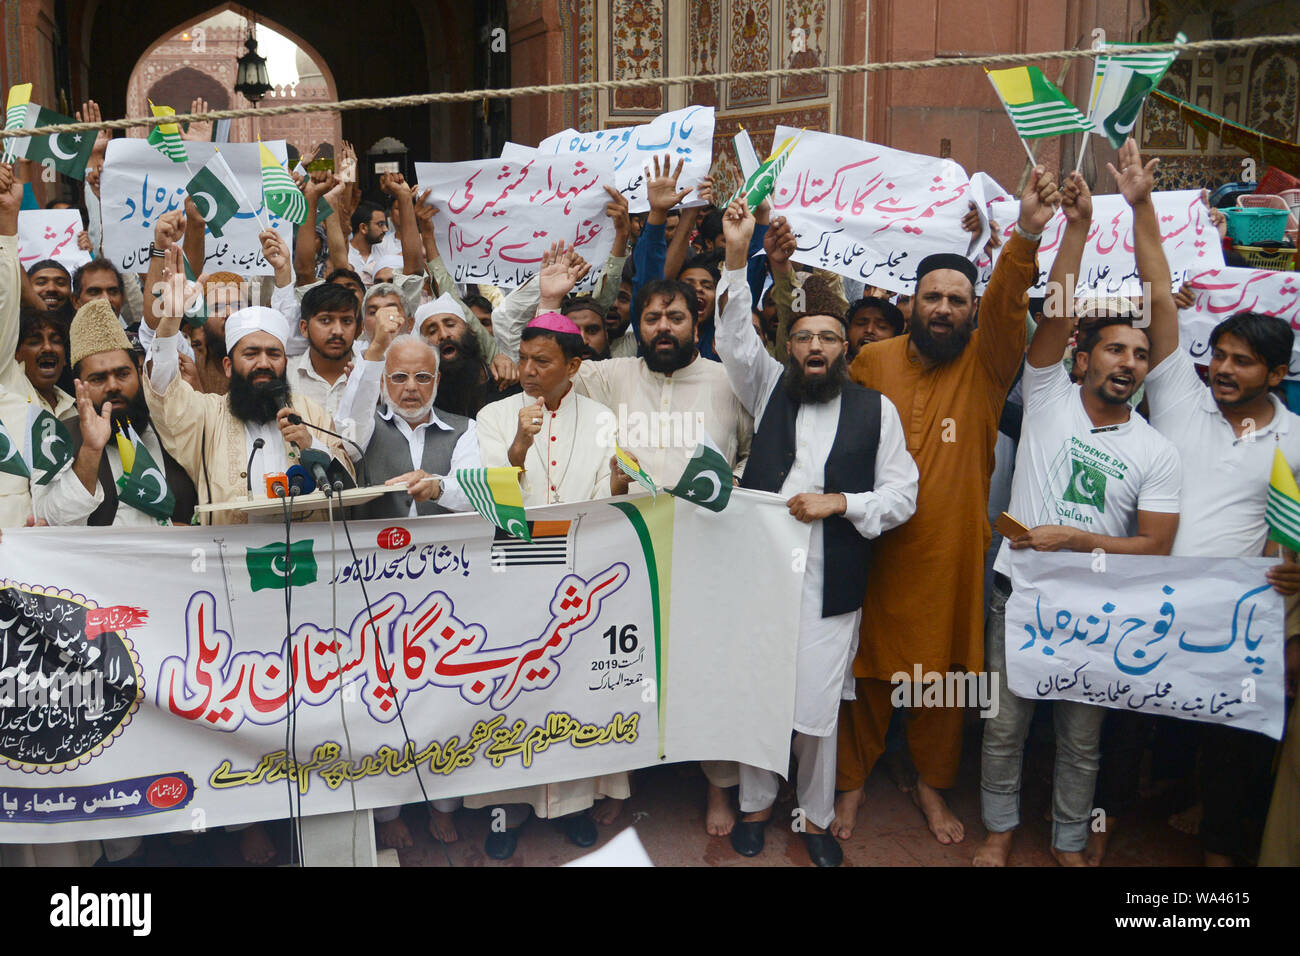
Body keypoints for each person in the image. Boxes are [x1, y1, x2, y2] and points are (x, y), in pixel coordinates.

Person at [834, 165, 1062, 846]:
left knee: (944, 677)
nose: (942, 309)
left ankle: (931, 785)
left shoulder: (989, 361)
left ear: (970, 311)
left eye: (955, 300)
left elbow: (1007, 305)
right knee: (866, 670)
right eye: (930, 297)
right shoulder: (872, 362)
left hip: (953, 553)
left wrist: (1023, 233)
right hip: (873, 546)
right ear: (909, 305)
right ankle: (849, 785)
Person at [507, 243, 753, 836]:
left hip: (707, 549)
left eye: (675, 317)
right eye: (651, 318)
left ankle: (720, 787)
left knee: (706, 670)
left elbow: (751, 454)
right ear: (635, 326)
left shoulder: (728, 381)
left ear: (697, 322)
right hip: (622, 558)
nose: (663, 328)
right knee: (619, 671)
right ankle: (621, 779)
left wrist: (730, 483)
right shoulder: (607, 376)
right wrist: (548, 298)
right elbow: (535, 359)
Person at [974, 168, 1181, 867]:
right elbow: (1056, 309)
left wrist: (1079, 540)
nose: (1129, 363)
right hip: (1018, 596)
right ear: (1083, 357)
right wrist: (1079, 227)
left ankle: (1067, 843)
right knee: (1003, 727)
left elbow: (1155, 547)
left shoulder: (1156, 451)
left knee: (1081, 740)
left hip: (1097, 610)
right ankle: (999, 833)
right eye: (1116, 349)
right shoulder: (1047, 395)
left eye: (1141, 354)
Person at [715, 196, 918, 867]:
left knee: (815, 710)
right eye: (804, 337)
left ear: (846, 347)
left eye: (828, 337)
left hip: (833, 585)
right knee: (756, 695)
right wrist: (737, 254)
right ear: (792, 346)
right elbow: (734, 338)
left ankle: (814, 817)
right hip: (759, 577)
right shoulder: (769, 384)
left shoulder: (874, 410)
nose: (815, 348)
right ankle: (753, 807)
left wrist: (843, 504)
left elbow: (902, 495)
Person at [1117, 136, 1300, 867]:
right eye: (1218, 356)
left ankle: (1223, 855)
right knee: (1131, 734)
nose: (1222, 370)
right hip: (1147, 607)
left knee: (1237, 750)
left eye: (1241, 361)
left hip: (1239, 624)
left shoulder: (1295, 440)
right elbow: (1160, 296)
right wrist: (1140, 210)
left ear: (1277, 374)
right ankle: (1108, 822)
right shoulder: (1181, 400)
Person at [468, 311, 630, 858]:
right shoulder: (493, 414)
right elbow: (488, 501)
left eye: (544, 362)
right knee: (512, 693)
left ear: (574, 365)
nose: (530, 372)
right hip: (514, 578)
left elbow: (613, 501)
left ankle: (573, 806)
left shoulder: (603, 416)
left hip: (582, 578)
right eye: (526, 360)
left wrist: (620, 484)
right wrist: (517, 447)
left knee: (576, 693)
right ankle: (506, 812)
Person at [359, 332, 479, 848]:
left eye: (422, 377)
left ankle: (443, 802)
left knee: (446, 698)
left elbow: (476, 490)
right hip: (377, 592)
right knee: (385, 700)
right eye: (399, 377)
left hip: (446, 588)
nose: (411, 388)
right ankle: (389, 814)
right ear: (384, 381)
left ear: (438, 379)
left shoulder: (466, 429)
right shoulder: (360, 429)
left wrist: (440, 487)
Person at [142, 246, 352, 525]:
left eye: (273, 354)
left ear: (284, 363)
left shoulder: (311, 415)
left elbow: (347, 487)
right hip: (230, 559)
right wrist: (170, 320)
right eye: (251, 354)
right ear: (229, 366)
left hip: (306, 558)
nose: (263, 363)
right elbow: (163, 390)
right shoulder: (207, 416)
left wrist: (311, 444)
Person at [34, 298, 198, 528]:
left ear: (139, 374)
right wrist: (91, 450)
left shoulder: (172, 428)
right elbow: (52, 520)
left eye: (122, 374)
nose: (113, 386)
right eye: (98, 378)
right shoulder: (56, 439)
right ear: (80, 385)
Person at [348, 201, 389, 285]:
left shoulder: (386, 249)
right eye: (380, 224)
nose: (386, 229)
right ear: (363, 227)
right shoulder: (344, 255)